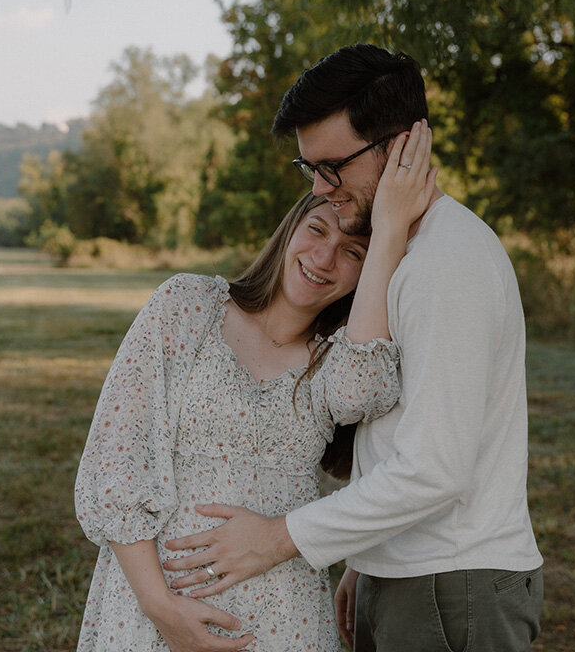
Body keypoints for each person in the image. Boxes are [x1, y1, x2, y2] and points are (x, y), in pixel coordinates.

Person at [164, 44, 545, 652]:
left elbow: (433, 468)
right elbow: (393, 425)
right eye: (310, 168)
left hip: (450, 585)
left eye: (333, 166)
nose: (320, 187)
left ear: (399, 148)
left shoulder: (446, 263)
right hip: (409, 574)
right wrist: (365, 561)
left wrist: (277, 538)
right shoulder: (400, 253)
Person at [73, 121, 438, 652]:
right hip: (156, 607)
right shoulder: (188, 306)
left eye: (352, 253)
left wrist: (386, 232)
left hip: (283, 619)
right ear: (290, 230)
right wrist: (160, 608)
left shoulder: (333, 365)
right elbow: (118, 459)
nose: (324, 258)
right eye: (317, 231)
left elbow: (364, 391)